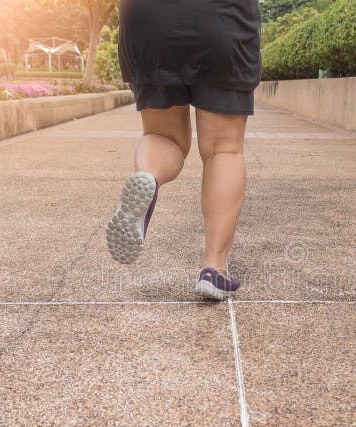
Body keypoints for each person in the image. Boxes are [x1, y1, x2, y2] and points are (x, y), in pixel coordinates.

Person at [106, 0, 261, 301]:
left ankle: (148, 175)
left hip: (149, 20)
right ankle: (214, 268)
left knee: (162, 134)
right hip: (222, 20)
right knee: (223, 148)